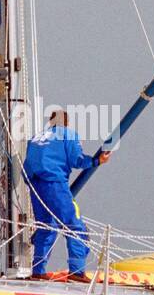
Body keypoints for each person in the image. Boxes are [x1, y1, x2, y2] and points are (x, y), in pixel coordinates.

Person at [23, 108, 109, 279]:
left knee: (46, 226)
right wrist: (97, 161)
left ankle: (38, 271)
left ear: (51, 122)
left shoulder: (36, 138)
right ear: (66, 122)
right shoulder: (68, 135)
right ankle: (77, 272)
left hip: (35, 185)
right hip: (54, 183)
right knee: (75, 226)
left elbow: (27, 165)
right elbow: (77, 160)